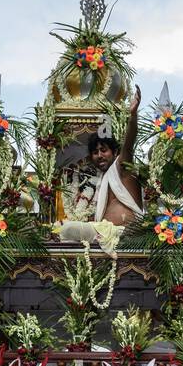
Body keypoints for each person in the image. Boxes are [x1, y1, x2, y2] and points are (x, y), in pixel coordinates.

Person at [56, 87, 143, 253]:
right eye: (95, 152)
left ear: (115, 152)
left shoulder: (122, 167)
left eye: (104, 150)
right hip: (102, 236)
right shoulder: (100, 181)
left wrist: (133, 116)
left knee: (67, 230)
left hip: (126, 233)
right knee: (64, 230)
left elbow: (129, 145)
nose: (99, 155)